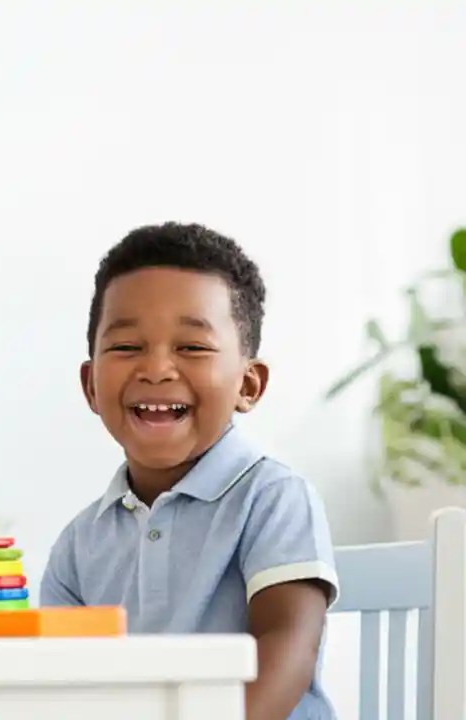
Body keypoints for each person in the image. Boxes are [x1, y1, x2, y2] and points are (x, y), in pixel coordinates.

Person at [39, 222, 338, 720]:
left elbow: (288, 645)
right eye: (126, 347)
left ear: (248, 385)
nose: (157, 369)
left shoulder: (273, 499)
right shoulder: (78, 545)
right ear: (91, 385)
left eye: (193, 348)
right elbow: (62, 685)